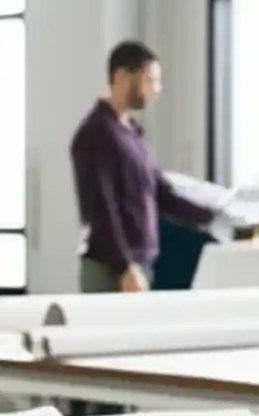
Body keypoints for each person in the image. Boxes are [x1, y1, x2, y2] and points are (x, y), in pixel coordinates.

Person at [71, 40, 221, 294]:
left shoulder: (133, 133)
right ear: (121, 77)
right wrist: (125, 267)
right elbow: (102, 210)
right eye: (149, 80)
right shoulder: (96, 134)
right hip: (114, 270)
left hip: (141, 264)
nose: (156, 89)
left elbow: (162, 195)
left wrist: (217, 215)